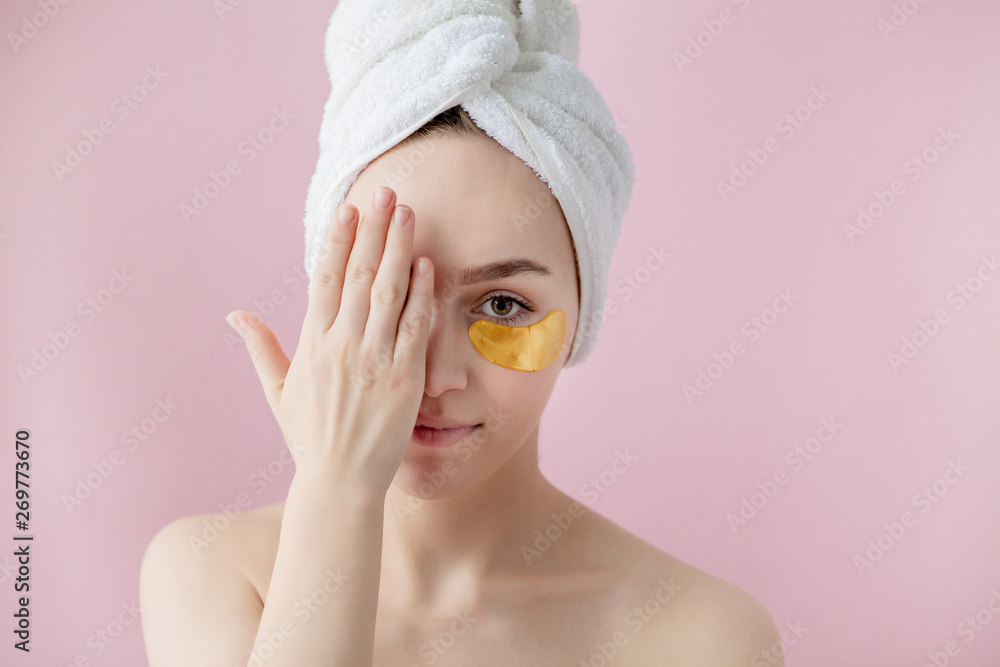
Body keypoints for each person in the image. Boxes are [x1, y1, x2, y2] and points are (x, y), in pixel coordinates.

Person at [138, 103, 782, 666]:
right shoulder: (212, 572)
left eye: (502, 305)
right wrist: (336, 485)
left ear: (584, 313)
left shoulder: (702, 637)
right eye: (389, 303)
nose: (435, 377)